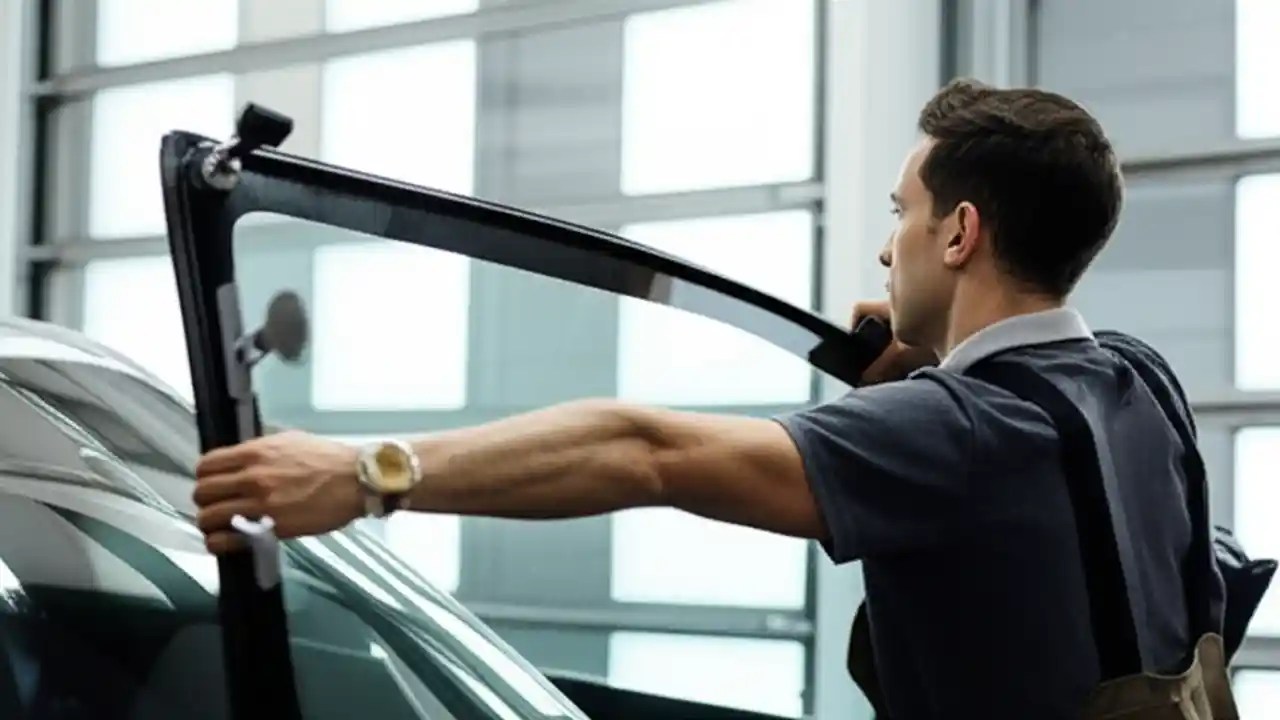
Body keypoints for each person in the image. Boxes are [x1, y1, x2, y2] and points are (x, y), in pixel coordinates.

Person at [191, 79, 1213, 718]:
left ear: (958, 236)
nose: (881, 242)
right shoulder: (1133, 380)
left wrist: (365, 475)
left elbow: (644, 450)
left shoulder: (959, 434)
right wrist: (926, 363)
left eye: (900, 213)